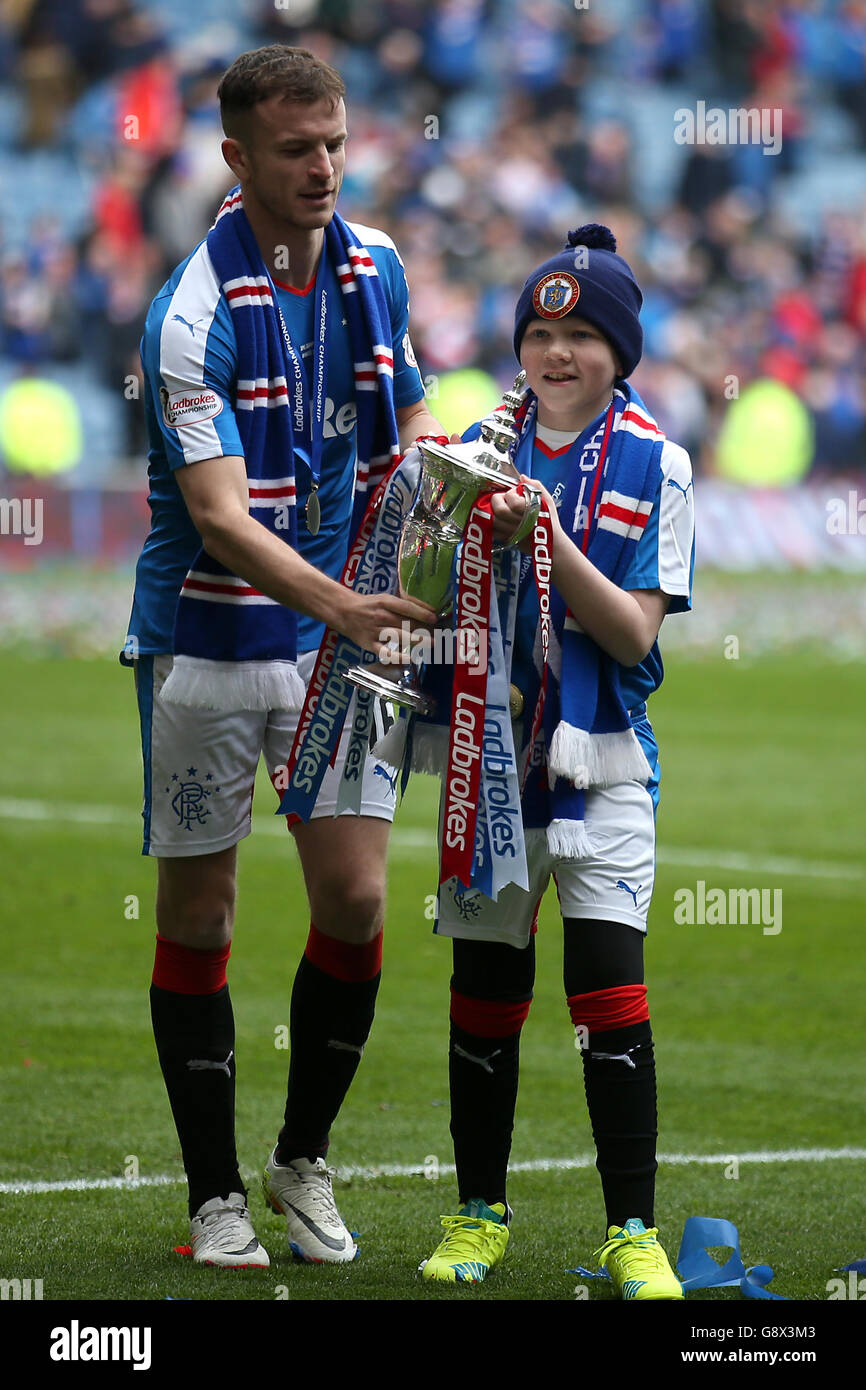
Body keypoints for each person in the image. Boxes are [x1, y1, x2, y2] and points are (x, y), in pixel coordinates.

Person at [123, 44, 445, 1268]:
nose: (321, 168)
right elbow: (216, 517)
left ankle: (300, 1158)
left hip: (337, 632)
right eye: (295, 149)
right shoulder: (188, 313)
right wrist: (352, 605)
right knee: (201, 920)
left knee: (358, 899)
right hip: (208, 635)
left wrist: (444, 480)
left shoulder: (375, 270)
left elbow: (405, 410)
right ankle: (213, 1196)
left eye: (333, 144)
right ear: (236, 158)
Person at [416, 224, 695, 1297]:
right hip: (489, 754)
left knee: (607, 990)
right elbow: (427, 592)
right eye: (540, 330)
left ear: (618, 350)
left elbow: (631, 635)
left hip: (605, 762)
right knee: (484, 986)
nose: (556, 351)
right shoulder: (478, 444)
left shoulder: (655, 462)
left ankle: (632, 1232)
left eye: (581, 332)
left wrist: (542, 537)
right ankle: (475, 1214)